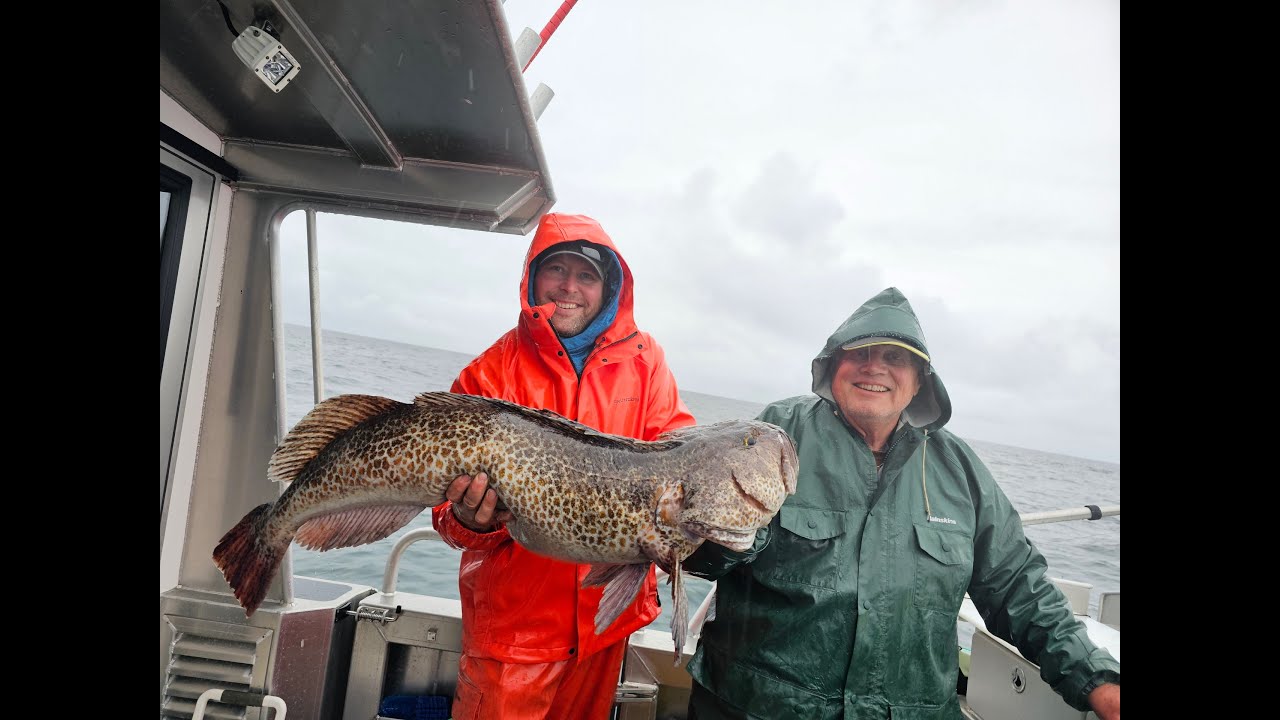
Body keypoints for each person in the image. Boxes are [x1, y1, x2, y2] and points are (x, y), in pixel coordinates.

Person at [682, 287, 1120, 720]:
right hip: (758, 708)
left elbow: (1017, 587)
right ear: (833, 365)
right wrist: (719, 526)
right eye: (859, 353)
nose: (875, 367)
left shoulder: (959, 468)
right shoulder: (771, 434)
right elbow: (700, 560)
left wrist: (1098, 680)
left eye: (895, 357)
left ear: (919, 382)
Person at [431, 212, 696, 720]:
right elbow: (447, 518)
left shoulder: (648, 363)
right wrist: (470, 520)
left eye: (587, 275)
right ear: (533, 279)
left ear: (609, 286)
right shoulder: (489, 373)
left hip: (604, 629)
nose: (570, 287)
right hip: (512, 637)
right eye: (557, 270)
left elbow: (677, 457)